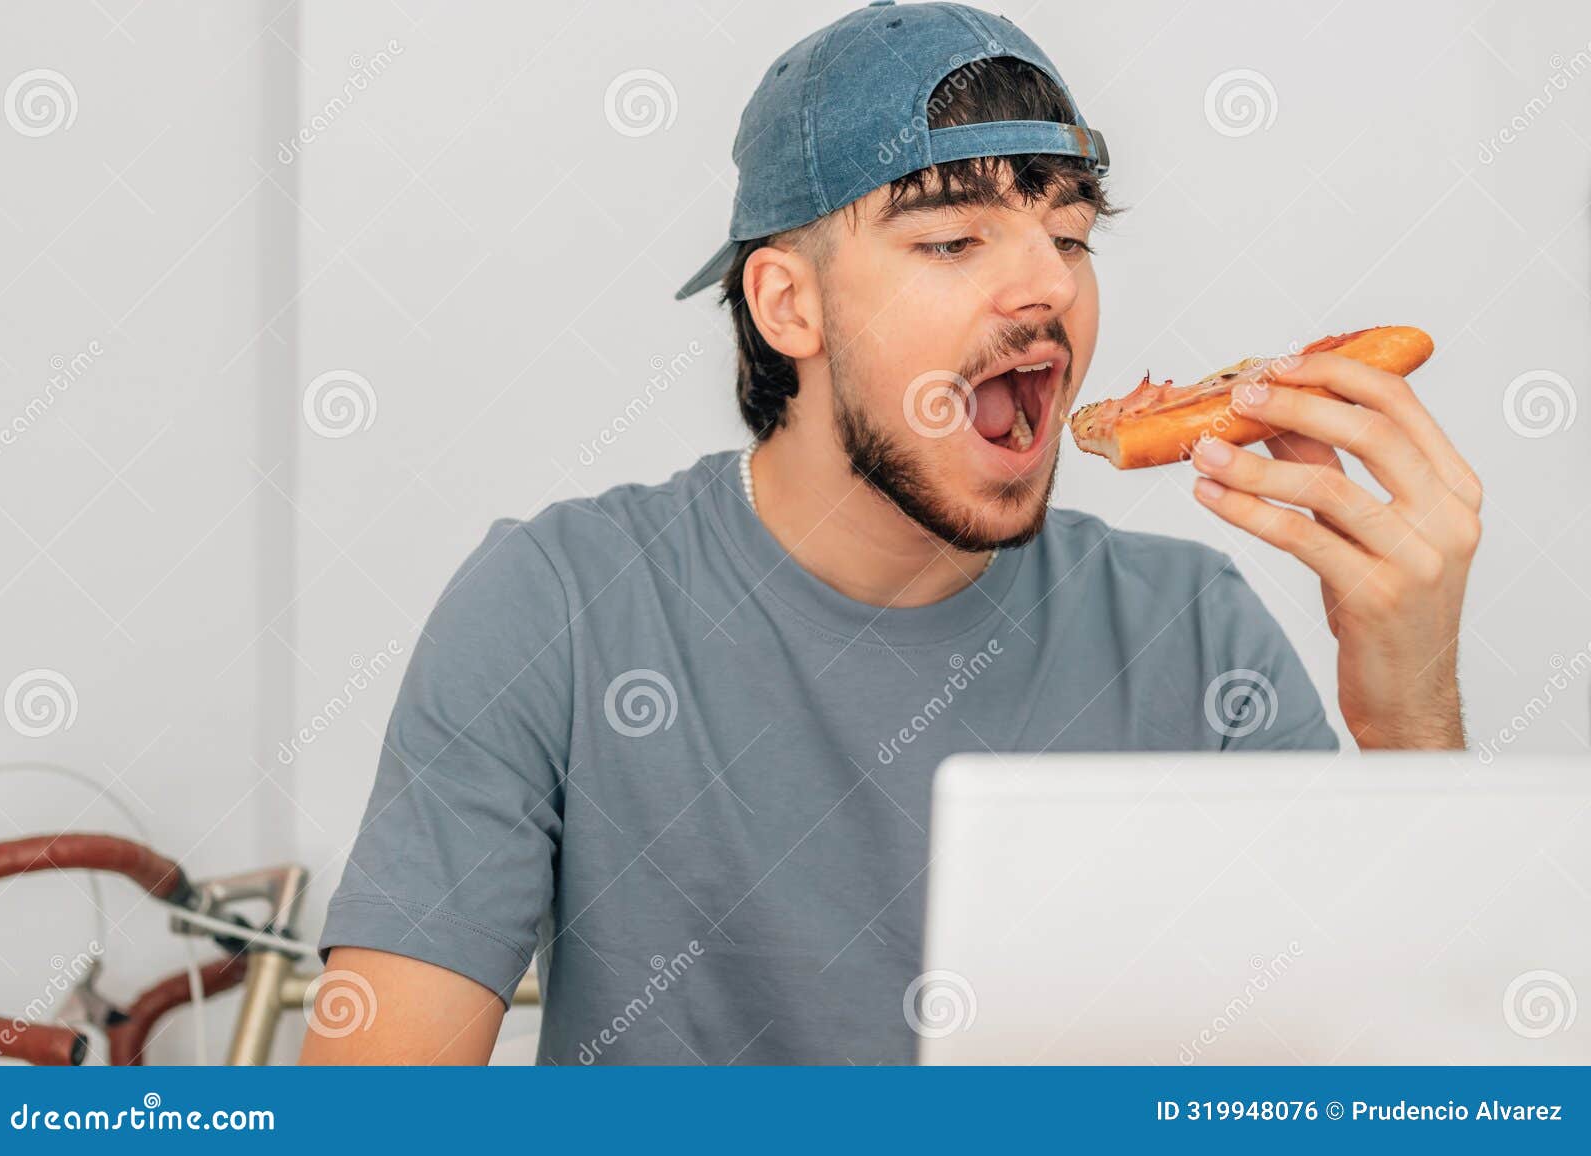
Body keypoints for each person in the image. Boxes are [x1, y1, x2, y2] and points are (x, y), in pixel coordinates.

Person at [302, 1, 1480, 1066]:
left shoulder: (1193, 630)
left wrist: (1407, 714)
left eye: (1068, 237)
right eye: (953, 241)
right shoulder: (554, 605)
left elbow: (1396, 1097)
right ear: (787, 304)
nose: (1047, 292)